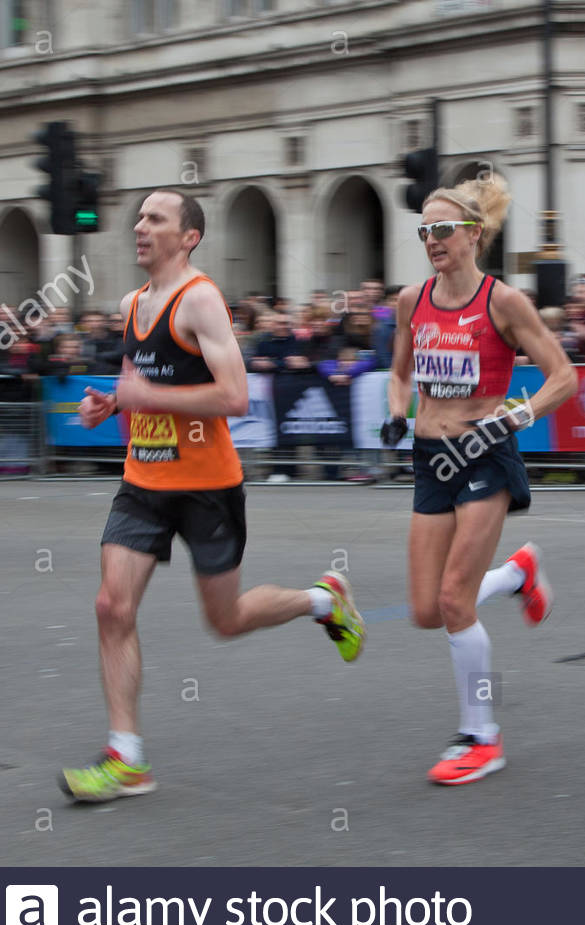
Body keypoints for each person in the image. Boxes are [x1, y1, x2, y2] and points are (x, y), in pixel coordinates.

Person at [58, 189, 366, 803]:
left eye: (156, 219)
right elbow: (144, 381)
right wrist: (113, 403)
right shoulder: (132, 304)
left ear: (188, 236)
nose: (140, 227)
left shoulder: (200, 300)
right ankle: (127, 757)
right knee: (111, 608)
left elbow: (233, 398)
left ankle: (322, 601)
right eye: (140, 217)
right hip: (142, 482)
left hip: (207, 486)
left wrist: (147, 398)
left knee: (224, 621)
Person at [385, 174, 575, 786]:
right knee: (424, 609)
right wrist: (395, 413)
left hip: (484, 456)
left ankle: (481, 737)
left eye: (443, 230)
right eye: (424, 232)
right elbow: (399, 373)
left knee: (453, 602)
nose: (432, 241)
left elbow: (563, 377)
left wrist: (512, 417)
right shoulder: (412, 300)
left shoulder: (504, 303)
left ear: (474, 234)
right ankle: (518, 572)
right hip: (428, 457)